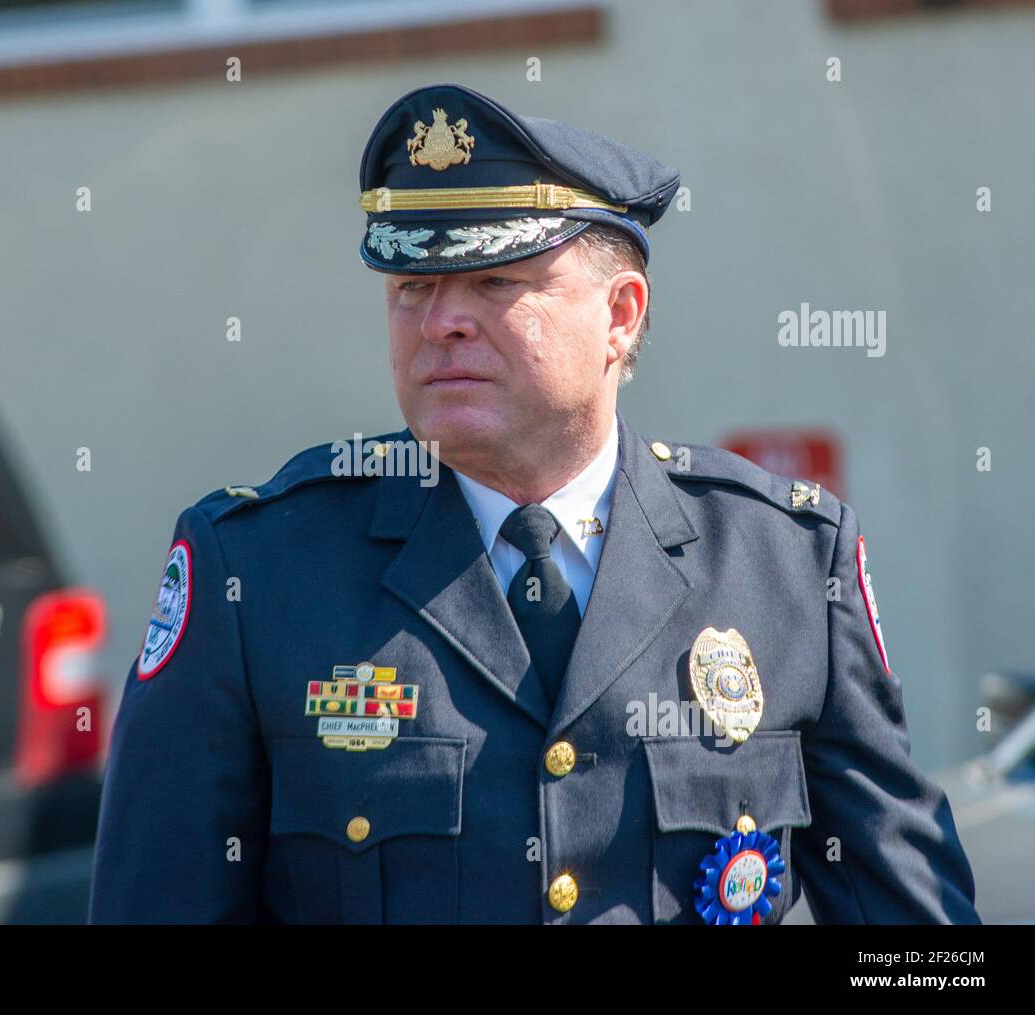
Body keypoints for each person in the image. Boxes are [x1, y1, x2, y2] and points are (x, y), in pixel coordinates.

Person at [89, 82, 979, 924]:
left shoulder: (781, 563)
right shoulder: (258, 571)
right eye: (413, 288)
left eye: (494, 282)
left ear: (621, 314)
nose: (441, 322)